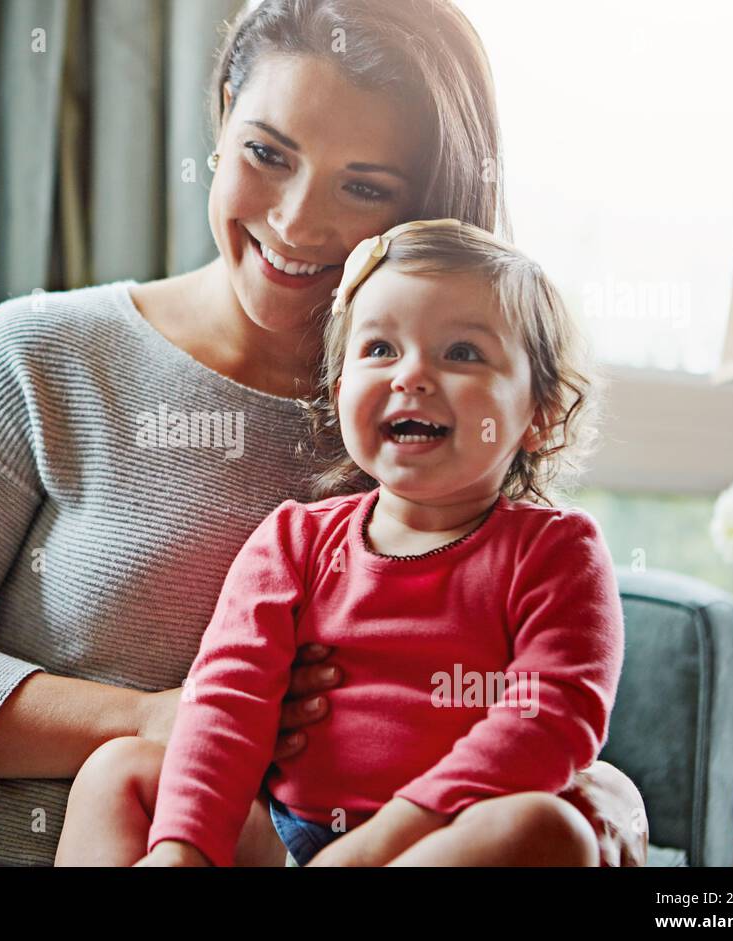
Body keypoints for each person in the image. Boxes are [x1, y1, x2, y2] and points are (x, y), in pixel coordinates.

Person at [0, 0, 648, 866]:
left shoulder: (436, 421)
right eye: (267, 153)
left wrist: (599, 791)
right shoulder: (37, 357)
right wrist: (163, 718)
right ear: (222, 114)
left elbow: (521, 688)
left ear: (427, 206)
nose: (298, 224)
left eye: (365, 186)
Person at [54, 218, 624, 867]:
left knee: (550, 833)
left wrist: (380, 845)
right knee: (119, 771)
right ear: (338, 389)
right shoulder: (294, 540)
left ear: (541, 416)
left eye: (462, 353)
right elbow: (227, 701)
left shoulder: (556, 552)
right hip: (286, 833)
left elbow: (550, 719)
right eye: (380, 349)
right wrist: (183, 851)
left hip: (438, 842)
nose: (412, 375)